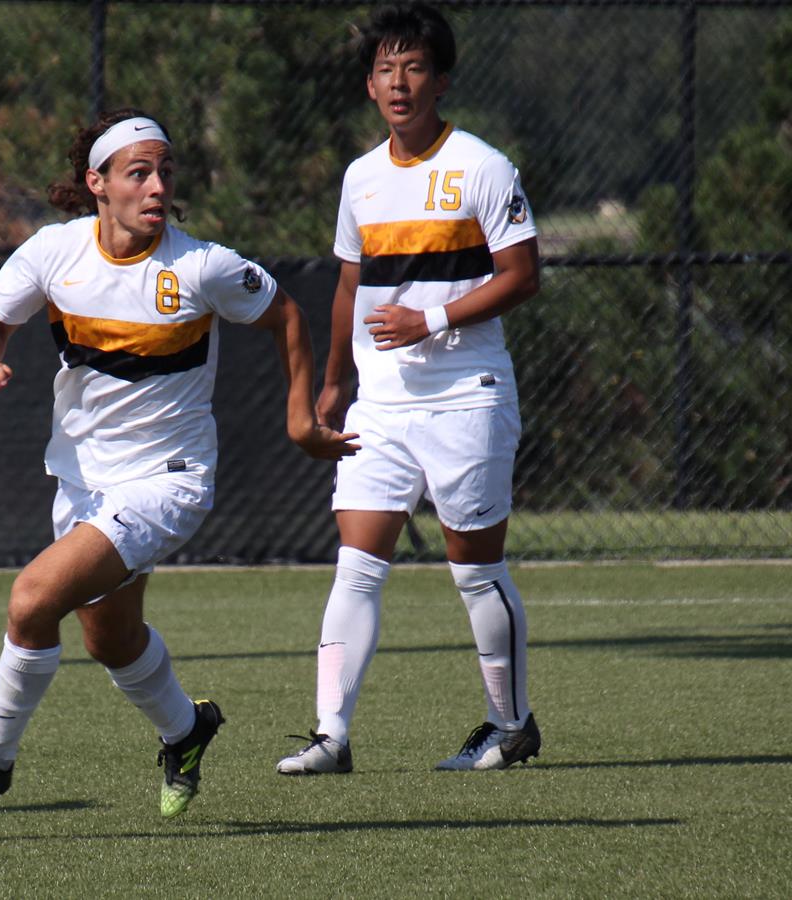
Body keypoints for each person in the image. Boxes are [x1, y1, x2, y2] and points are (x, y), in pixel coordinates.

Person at [0, 109, 358, 818]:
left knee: (32, 600)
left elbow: (285, 315)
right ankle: (186, 731)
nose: (157, 186)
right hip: (81, 480)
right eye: (139, 173)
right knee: (111, 638)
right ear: (97, 183)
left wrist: (299, 416)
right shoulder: (55, 252)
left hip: (168, 480)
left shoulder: (202, 265)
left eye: (165, 171)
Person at [276, 3, 543, 776]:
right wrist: (334, 381)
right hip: (382, 403)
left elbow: (523, 275)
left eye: (415, 67)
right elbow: (348, 287)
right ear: (369, 85)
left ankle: (510, 725)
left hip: (468, 393)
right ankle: (331, 736)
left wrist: (432, 319)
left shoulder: (484, 166)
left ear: (441, 80)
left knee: (475, 570)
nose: (399, 82)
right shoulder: (361, 177)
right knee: (356, 564)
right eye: (386, 69)